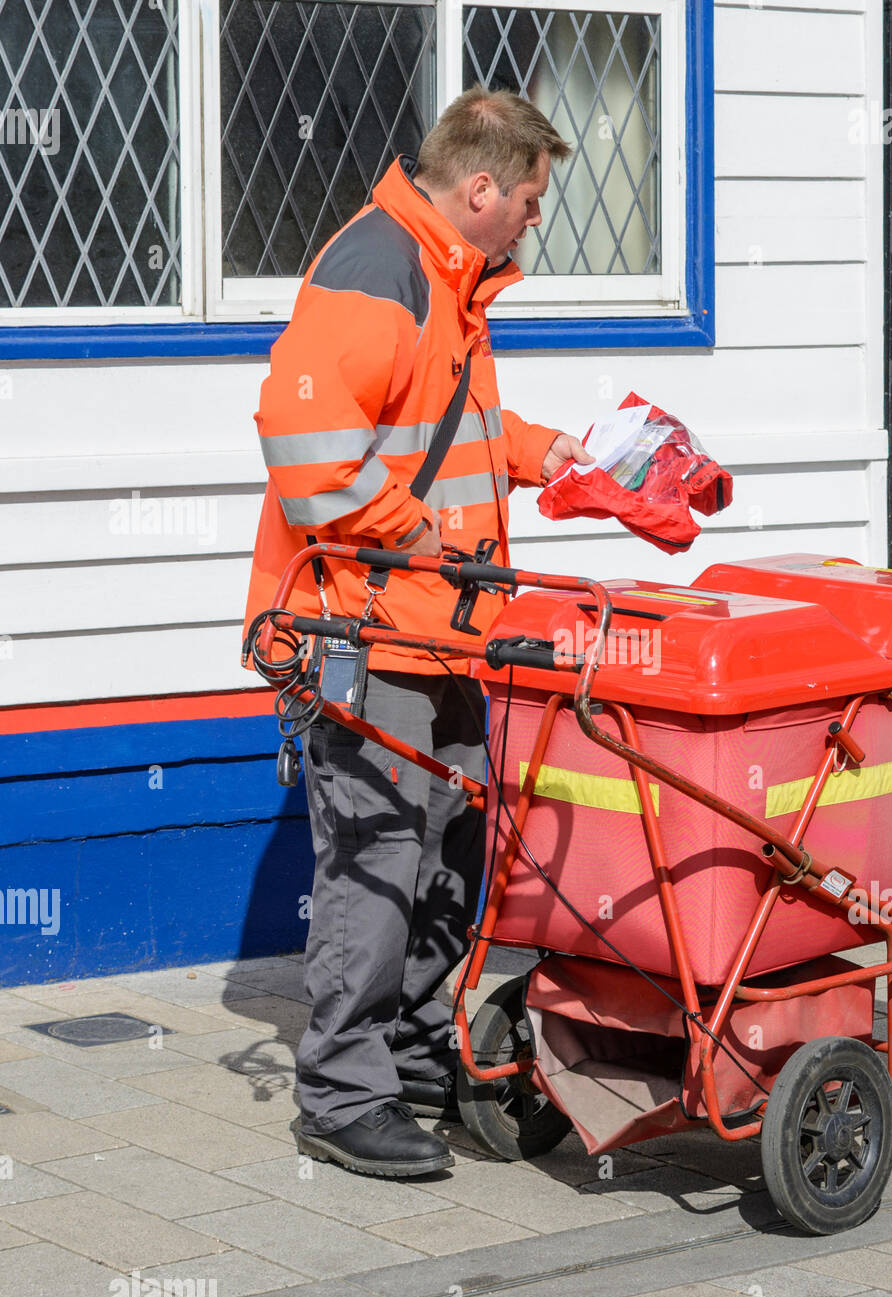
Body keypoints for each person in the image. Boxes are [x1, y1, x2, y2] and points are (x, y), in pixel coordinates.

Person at [242, 87, 593, 1178]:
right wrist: (420, 538)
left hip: (439, 632)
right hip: (362, 626)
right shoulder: (378, 267)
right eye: (530, 200)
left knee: (450, 853)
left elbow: (459, 438)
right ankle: (344, 1095)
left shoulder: (449, 281)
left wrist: (565, 460)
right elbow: (305, 445)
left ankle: (407, 1049)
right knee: (379, 861)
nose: (536, 220)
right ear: (481, 186)